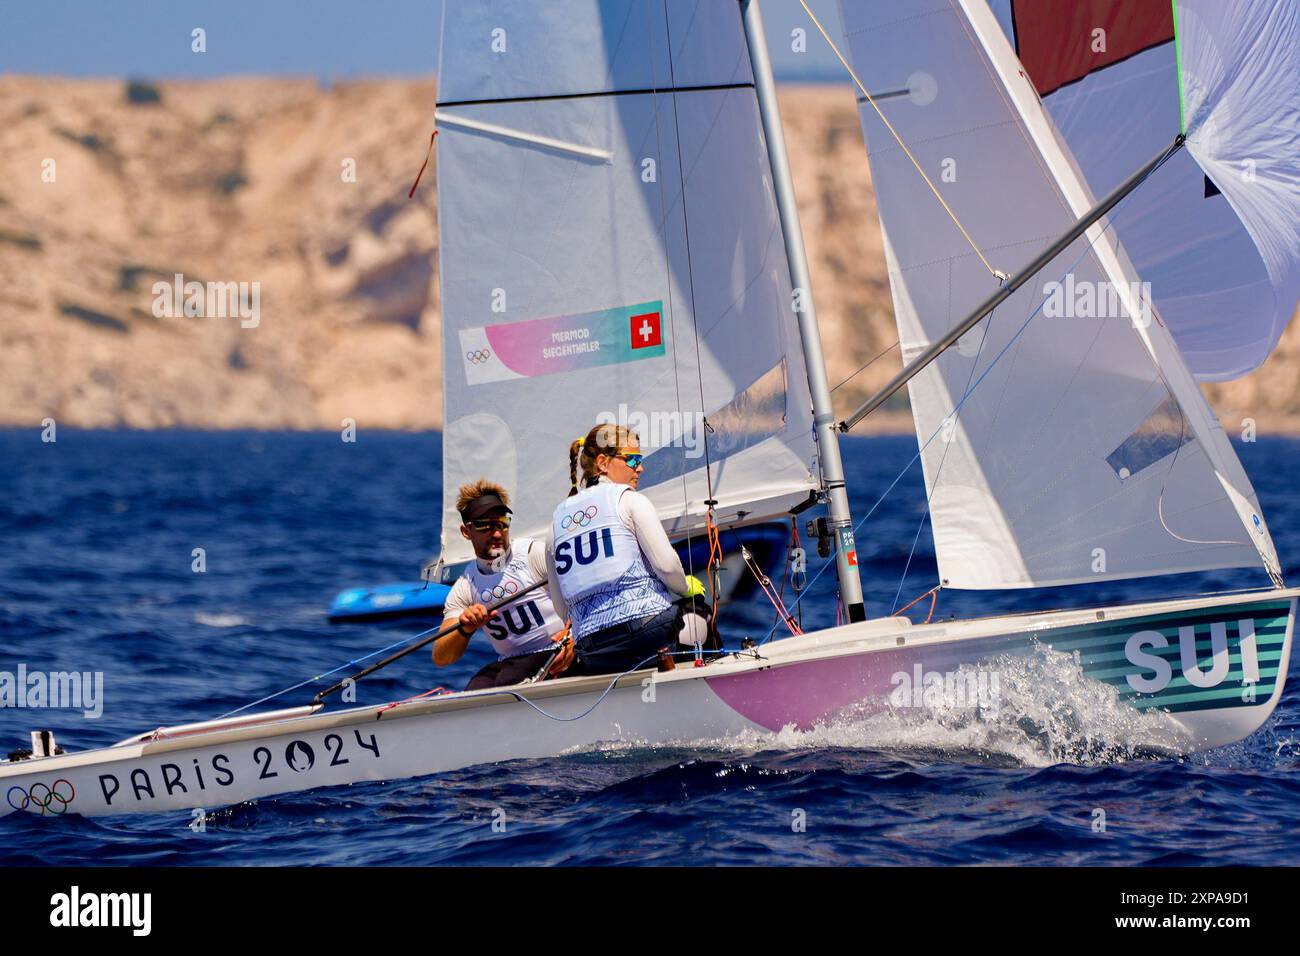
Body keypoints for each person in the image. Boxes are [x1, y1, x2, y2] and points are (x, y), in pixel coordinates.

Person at [546, 424, 707, 675]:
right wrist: (685, 589)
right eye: (633, 459)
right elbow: (667, 566)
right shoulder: (630, 500)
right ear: (602, 463)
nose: (640, 467)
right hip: (647, 633)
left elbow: (561, 608)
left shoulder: (554, 525)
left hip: (591, 650)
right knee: (699, 610)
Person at [434, 480, 574, 690]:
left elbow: (585, 593)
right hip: (513, 663)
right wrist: (466, 628)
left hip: (559, 649)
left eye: (501, 523)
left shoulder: (533, 555)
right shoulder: (465, 587)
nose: (497, 533)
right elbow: (441, 657)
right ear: (466, 531)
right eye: (485, 525)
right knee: (476, 686)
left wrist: (573, 637)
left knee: (509, 679)